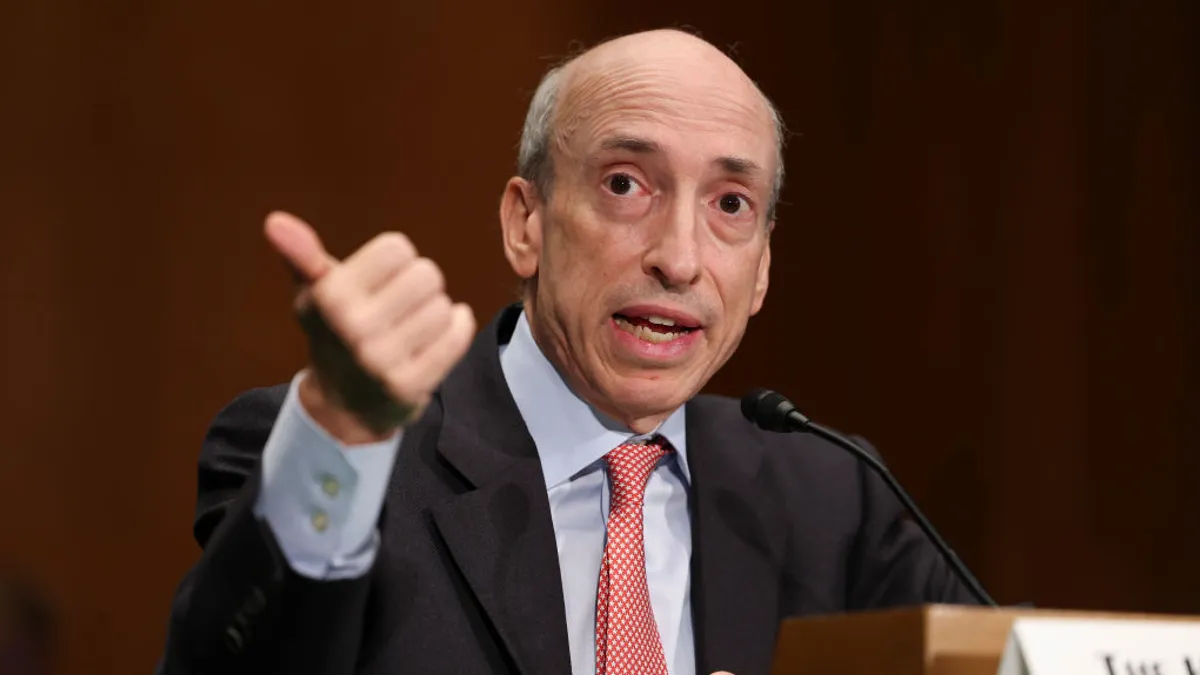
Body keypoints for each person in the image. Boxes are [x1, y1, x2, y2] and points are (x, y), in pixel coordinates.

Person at [157, 28, 976, 675]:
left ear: (761, 268)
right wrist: (339, 433)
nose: (680, 257)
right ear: (527, 223)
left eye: (731, 203)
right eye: (627, 184)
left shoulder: (836, 500)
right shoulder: (347, 462)